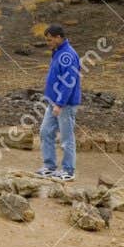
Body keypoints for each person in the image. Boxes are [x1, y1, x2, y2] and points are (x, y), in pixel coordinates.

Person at [37, 24, 81, 180]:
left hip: (65, 105)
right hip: (53, 102)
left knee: (66, 138)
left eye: (50, 40)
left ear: (58, 37)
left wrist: (60, 103)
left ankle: (68, 171)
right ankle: (49, 166)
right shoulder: (57, 52)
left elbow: (68, 82)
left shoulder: (68, 54)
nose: (48, 43)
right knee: (45, 132)